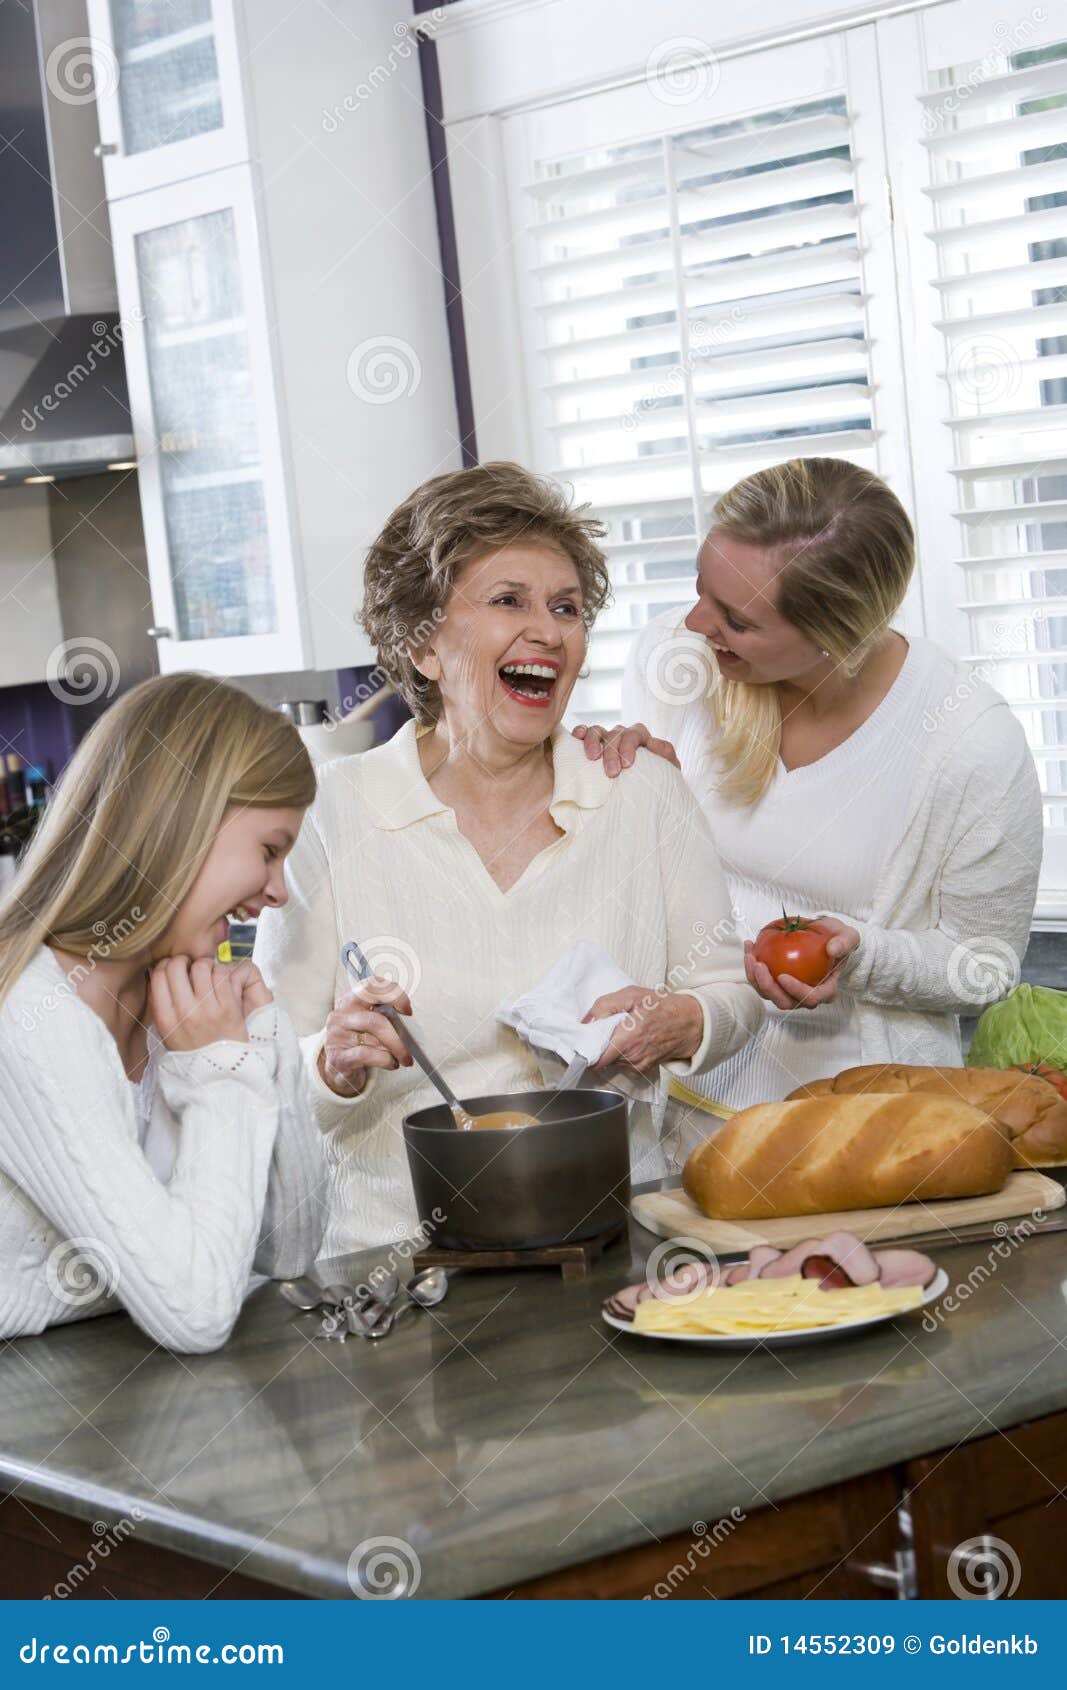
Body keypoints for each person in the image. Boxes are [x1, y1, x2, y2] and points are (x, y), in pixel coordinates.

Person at [254, 462, 762, 1254]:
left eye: (566, 607)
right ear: (424, 644)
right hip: (395, 1256)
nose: (549, 632)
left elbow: (731, 991)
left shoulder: (640, 792)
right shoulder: (330, 814)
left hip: (606, 1235)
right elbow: (264, 1071)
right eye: (507, 601)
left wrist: (683, 1020)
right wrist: (333, 1063)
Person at [576, 456, 1043, 1109]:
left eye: (736, 619)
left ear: (833, 635)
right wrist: (644, 795)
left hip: (858, 1119)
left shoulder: (968, 742)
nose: (696, 623)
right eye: (700, 588)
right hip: (680, 1093)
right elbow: (647, 882)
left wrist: (860, 957)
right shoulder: (676, 659)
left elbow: (983, 967)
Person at [0, 675, 326, 1352]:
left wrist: (262, 1044)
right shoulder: (31, 1018)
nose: (277, 892)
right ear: (181, 823)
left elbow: (287, 1249)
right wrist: (220, 1072)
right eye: (269, 851)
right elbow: (196, 1312)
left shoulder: (172, 1002)